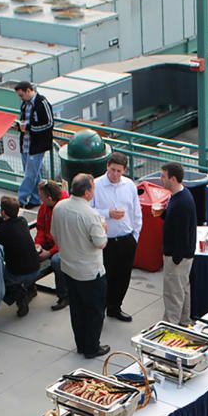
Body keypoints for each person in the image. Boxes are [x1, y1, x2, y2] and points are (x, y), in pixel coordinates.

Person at [52, 174, 110, 359]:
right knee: (94, 311)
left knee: (77, 309)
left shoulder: (59, 207)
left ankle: (81, 344)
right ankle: (92, 347)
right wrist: (104, 229)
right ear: (87, 192)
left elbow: (54, 234)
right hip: (90, 272)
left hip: (69, 268)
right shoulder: (91, 215)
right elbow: (100, 243)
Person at [92, 153, 142, 322]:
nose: (115, 174)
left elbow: (136, 212)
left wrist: (135, 236)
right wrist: (108, 214)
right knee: (105, 277)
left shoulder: (129, 186)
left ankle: (115, 307)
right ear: (107, 166)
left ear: (124, 170)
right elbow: (89, 211)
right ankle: (100, 308)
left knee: (123, 277)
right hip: (106, 241)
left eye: (119, 171)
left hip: (126, 239)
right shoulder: (96, 186)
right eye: (112, 170)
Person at [159, 162, 198, 325]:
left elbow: (182, 233)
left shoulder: (181, 202)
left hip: (177, 257)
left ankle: (170, 325)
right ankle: (184, 321)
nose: (161, 179)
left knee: (173, 292)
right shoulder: (181, 196)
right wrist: (164, 214)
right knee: (183, 289)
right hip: (184, 256)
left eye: (163, 176)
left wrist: (176, 258)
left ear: (173, 179)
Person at [0, 196, 41, 317]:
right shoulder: (22, 222)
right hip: (35, 268)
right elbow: (10, 227)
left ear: (3, 212)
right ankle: (29, 288)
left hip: (17, 274)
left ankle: (19, 295)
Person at [14, 80, 54, 208]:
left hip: (37, 145)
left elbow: (49, 123)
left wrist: (29, 127)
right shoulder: (25, 105)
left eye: (21, 95)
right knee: (34, 173)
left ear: (28, 91)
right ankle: (36, 198)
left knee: (30, 174)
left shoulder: (42, 103)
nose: (21, 98)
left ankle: (21, 198)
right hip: (26, 144)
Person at [35, 180, 69, 310]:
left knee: (56, 261)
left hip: (64, 246)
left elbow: (66, 238)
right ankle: (28, 288)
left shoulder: (65, 209)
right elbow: (41, 228)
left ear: (49, 198)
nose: (40, 200)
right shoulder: (45, 206)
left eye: (41, 197)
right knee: (29, 253)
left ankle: (64, 296)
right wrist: (38, 245)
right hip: (51, 243)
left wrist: (49, 252)